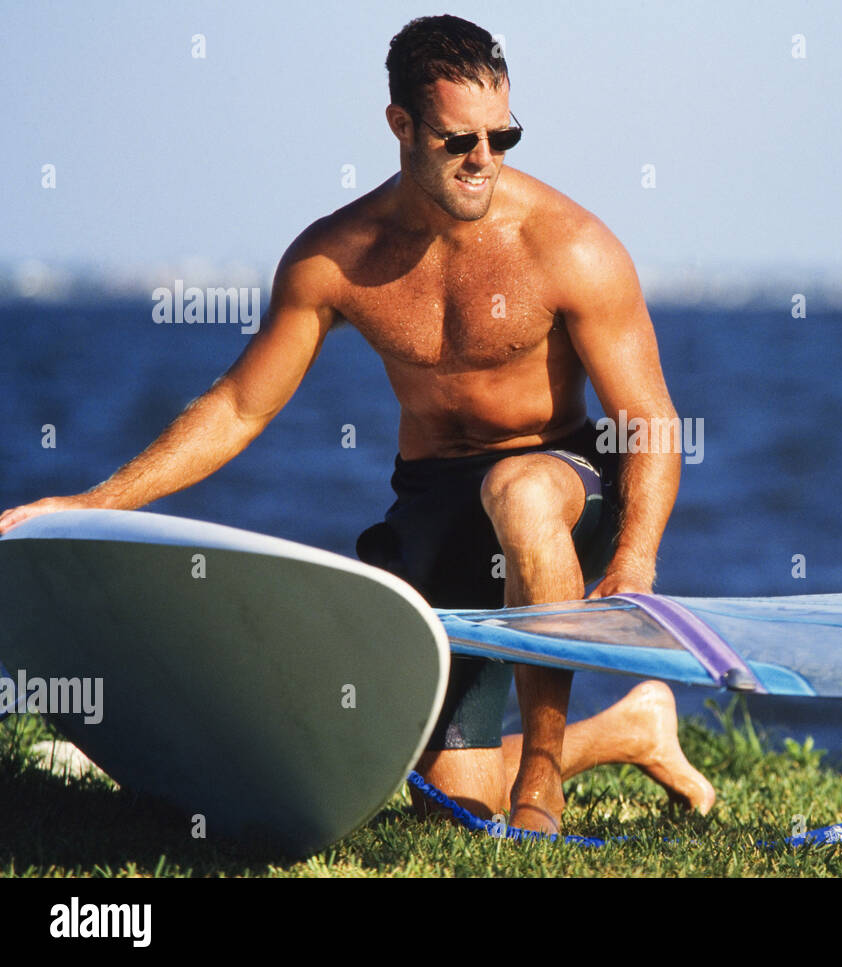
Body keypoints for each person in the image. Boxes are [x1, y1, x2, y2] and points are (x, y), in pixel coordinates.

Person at [0, 14, 713, 834]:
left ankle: (542, 787)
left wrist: (635, 559)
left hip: (562, 480)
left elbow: (651, 420)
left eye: (503, 135)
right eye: (459, 141)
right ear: (401, 127)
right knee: (442, 797)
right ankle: (631, 728)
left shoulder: (570, 247)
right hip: (438, 505)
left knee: (516, 490)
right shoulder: (338, 256)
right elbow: (239, 405)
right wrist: (99, 503)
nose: (485, 160)